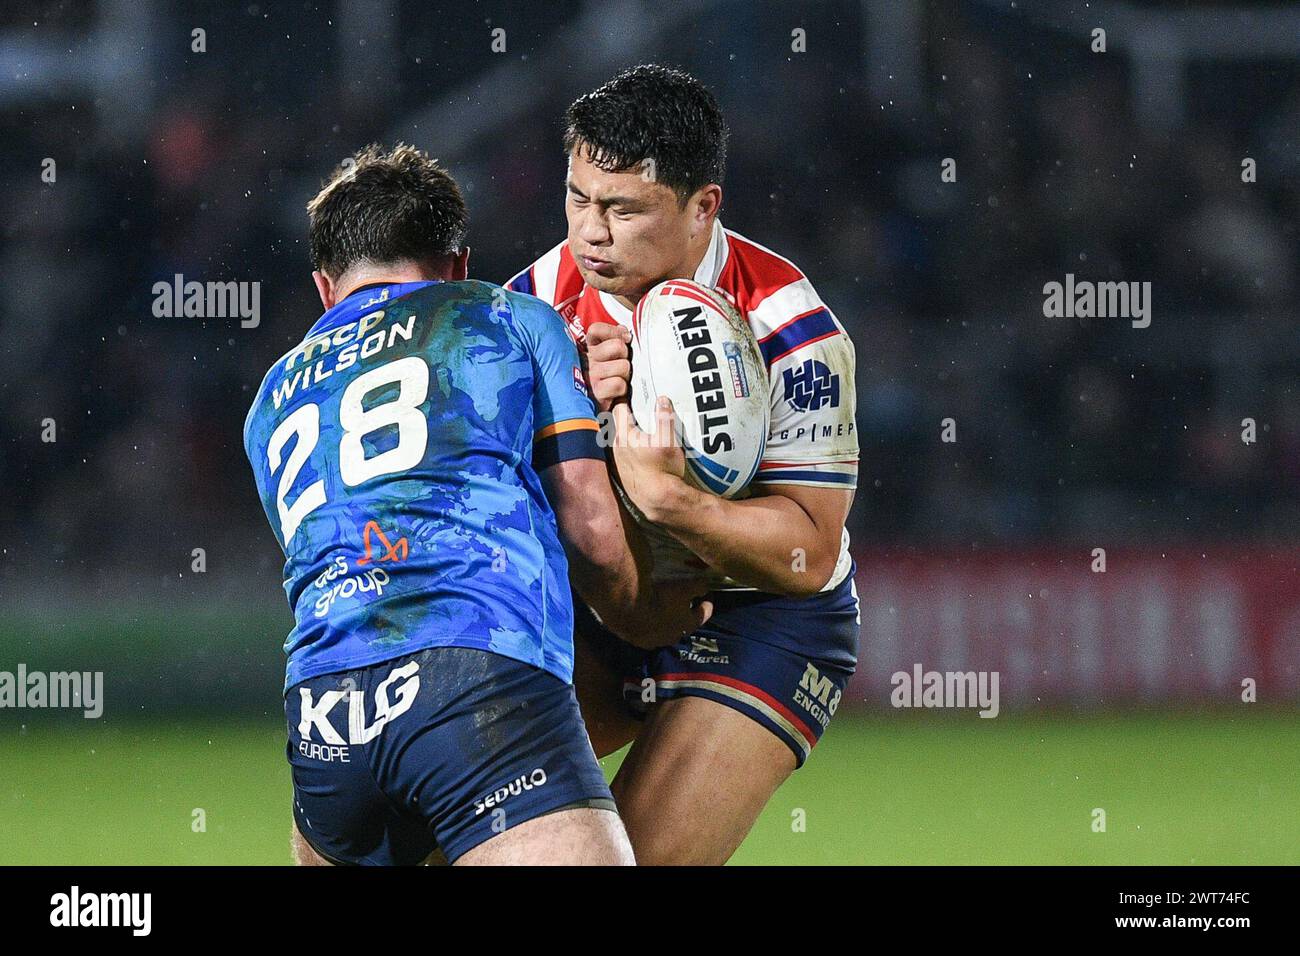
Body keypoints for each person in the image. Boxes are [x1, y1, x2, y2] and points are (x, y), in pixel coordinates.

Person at [244, 143, 702, 865]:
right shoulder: (504, 317)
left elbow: (329, 562)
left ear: (325, 288)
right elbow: (591, 534)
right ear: (458, 264)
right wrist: (663, 622)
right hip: (477, 679)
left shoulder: (271, 395)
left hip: (325, 716)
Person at [508, 65, 861, 865]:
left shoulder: (793, 328)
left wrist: (675, 503)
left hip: (761, 618)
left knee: (634, 859)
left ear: (704, 206)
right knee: (424, 826)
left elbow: (805, 553)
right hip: (603, 605)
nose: (589, 233)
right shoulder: (531, 305)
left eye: (623, 209)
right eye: (577, 198)